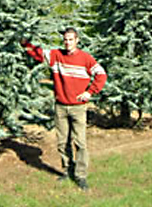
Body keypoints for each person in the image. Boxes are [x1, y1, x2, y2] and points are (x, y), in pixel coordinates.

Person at [22, 27, 106, 190]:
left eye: (71, 39)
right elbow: (37, 53)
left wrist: (90, 92)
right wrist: (23, 42)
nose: (67, 42)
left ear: (77, 40)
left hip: (78, 108)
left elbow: (101, 74)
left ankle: (81, 176)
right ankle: (68, 170)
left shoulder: (85, 59)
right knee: (62, 142)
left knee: (80, 143)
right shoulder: (56, 56)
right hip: (60, 106)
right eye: (65, 40)